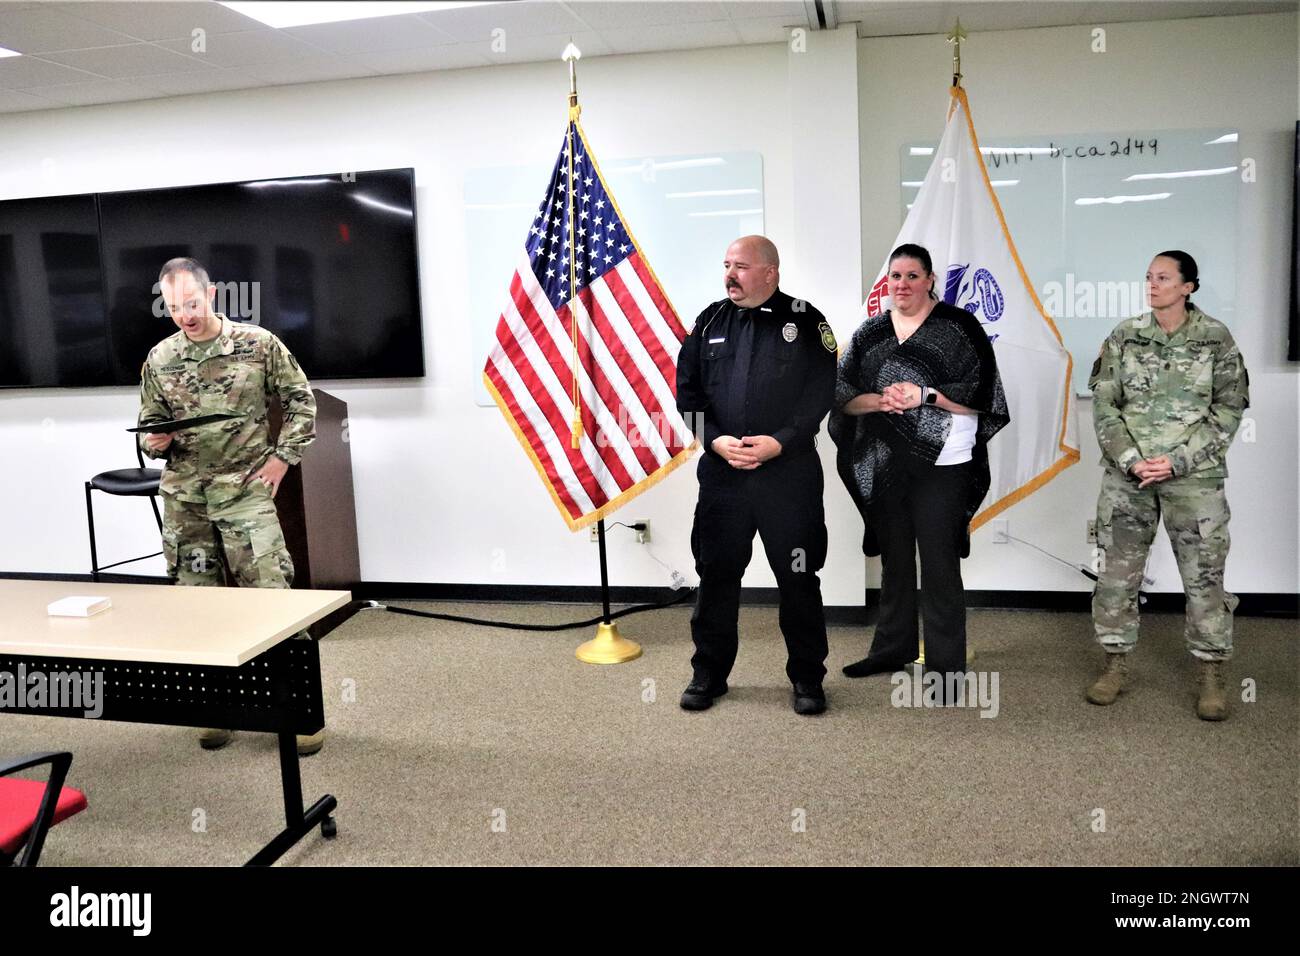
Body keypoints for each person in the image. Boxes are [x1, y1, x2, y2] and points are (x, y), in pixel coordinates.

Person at [138, 258, 322, 752]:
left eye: (192, 304)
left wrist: (284, 459)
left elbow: (302, 401)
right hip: (185, 498)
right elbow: (150, 421)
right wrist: (153, 442)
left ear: (212, 294)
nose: (185, 316)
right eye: (174, 308)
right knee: (198, 602)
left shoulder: (258, 345)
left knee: (271, 594)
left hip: (244, 492)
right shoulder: (159, 358)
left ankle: (301, 713)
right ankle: (216, 708)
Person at [829, 243, 1008, 691]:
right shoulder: (870, 333)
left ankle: (946, 670)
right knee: (895, 562)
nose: (902, 285)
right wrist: (878, 399)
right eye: (895, 277)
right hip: (885, 461)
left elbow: (982, 394)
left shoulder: (959, 328)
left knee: (939, 563)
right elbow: (842, 395)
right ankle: (892, 649)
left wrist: (924, 395)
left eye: (912, 276)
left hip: (944, 463)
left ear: (930, 280)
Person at [675, 235, 837, 715]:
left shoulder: (807, 320)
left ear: (770, 272)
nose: (730, 274)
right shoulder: (709, 321)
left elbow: (821, 391)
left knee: (799, 577)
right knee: (716, 576)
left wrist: (781, 441)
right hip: (724, 475)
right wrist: (715, 440)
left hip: (788, 476)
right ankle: (709, 674)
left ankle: (808, 679)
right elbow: (688, 392)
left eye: (741, 266)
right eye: (726, 265)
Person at [1086, 250, 1249, 720]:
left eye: (1163, 278)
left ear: (1188, 287)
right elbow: (1104, 403)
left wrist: (1175, 461)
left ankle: (1211, 672)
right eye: (1149, 278)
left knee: (1204, 577)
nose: (1152, 285)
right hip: (1128, 476)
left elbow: (1228, 411)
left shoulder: (1216, 338)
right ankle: (1114, 664)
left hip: (1193, 479)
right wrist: (1133, 460)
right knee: (1117, 574)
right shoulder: (1125, 335)